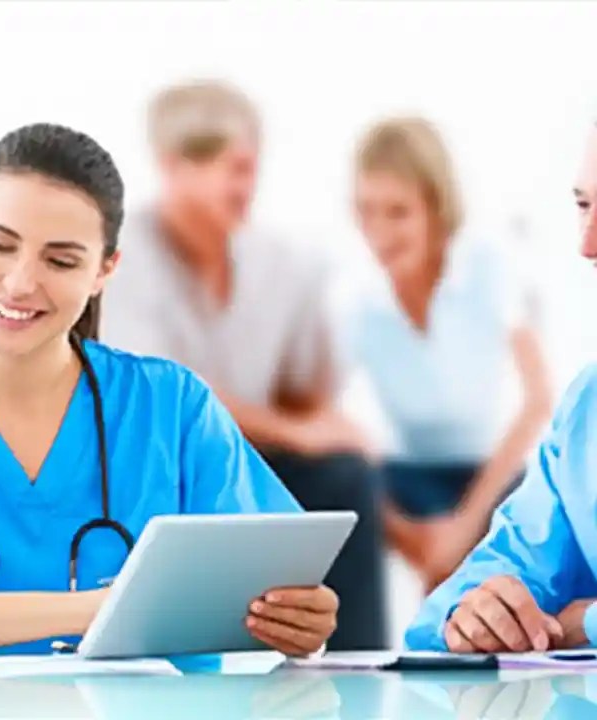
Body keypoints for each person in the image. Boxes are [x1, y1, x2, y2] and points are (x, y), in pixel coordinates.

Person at [0, 122, 339, 656]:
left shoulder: (172, 407)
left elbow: (276, 580)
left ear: (105, 270)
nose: (19, 282)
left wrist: (303, 617)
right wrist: (106, 607)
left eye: (60, 260)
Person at [101, 80, 386, 650]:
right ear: (173, 167)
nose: (245, 186)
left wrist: (327, 417)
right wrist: (298, 433)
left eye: (251, 168)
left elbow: (304, 391)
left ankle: (360, 665)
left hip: (252, 461)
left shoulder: (280, 261)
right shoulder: (122, 257)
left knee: (346, 474)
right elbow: (174, 392)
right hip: (159, 465)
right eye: (230, 169)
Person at [406, 121, 597, 654]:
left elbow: (573, 625)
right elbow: (497, 571)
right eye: (584, 206)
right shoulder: (589, 406)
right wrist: (473, 615)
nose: (588, 246)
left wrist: (589, 622)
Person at [343, 117, 551, 591]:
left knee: (528, 515)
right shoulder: (355, 297)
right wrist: (406, 534)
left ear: (437, 209)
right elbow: (333, 418)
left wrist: (461, 528)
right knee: (339, 480)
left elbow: (538, 401)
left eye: (398, 212)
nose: (379, 233)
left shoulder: (489, 264)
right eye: (366, 211)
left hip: (492, 473)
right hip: (408, 478)